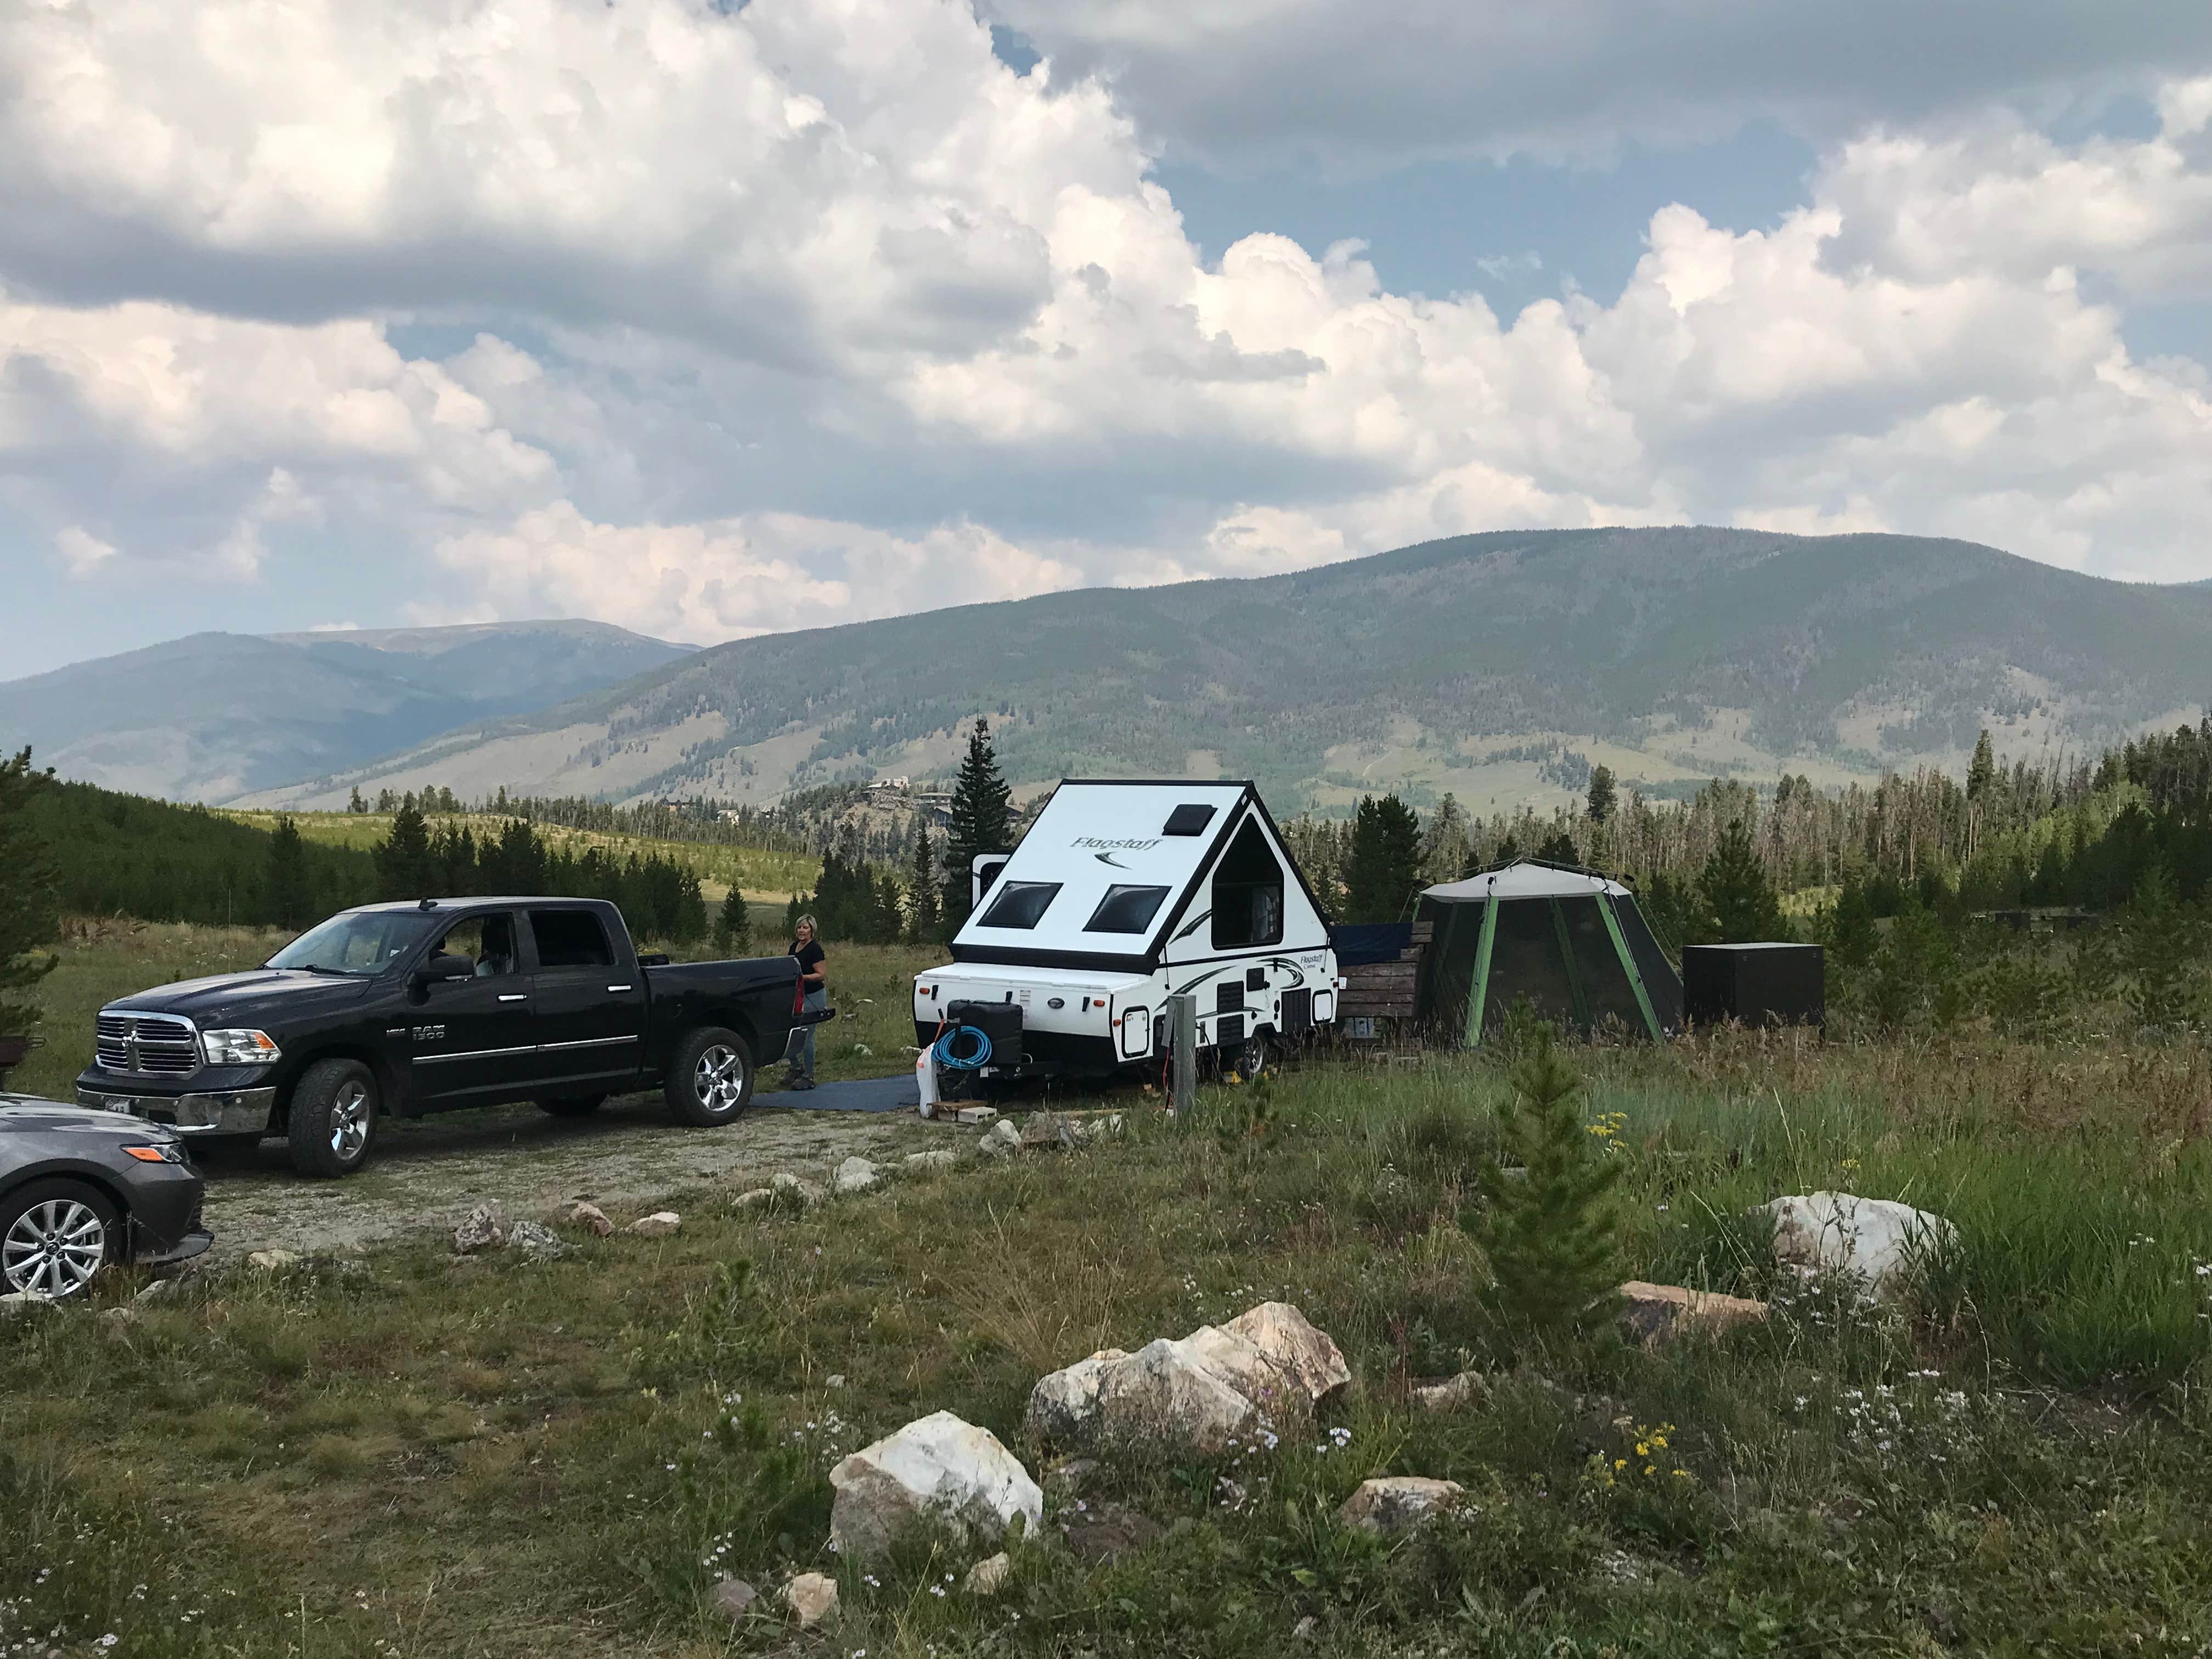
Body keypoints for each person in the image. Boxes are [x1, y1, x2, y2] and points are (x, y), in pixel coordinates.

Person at [785, 914, 827, 1090]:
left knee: (807, 1036)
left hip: (814, 996)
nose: (802, 931)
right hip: (798, 996)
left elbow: (821, 974)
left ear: (812, 931)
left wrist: (802, 978)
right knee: (790, 1033)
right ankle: (796, 1067)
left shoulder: (815, 949)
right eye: (800, 928)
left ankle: (809, 1076)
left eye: (805, 928)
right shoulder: (794, 947)